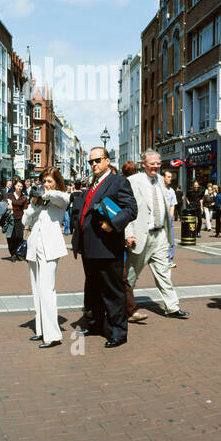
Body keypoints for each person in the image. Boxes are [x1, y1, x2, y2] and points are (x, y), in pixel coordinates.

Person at [72, 147, 137, 348]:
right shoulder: (93, 183)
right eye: (91, 162)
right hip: (90, 246)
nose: (94, 164)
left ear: (107, 161)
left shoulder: (118, 182)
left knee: (112, 290)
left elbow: (131, 209)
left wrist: (113, 224)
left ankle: (118, 331)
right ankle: (97, 324)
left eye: (97, 160)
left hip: (107, 246)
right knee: (94, 289)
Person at [125, 151, 190, 320]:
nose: (155, 166)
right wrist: (129, 233)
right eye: (152, 163)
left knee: (164, 272)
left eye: (158, 163)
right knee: (130, 276)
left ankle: (172, 307)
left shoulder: (161, 180)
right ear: (143, 164)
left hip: (160, 234)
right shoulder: (133, 181)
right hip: (141, 236)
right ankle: (121, 306)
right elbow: (126, 209)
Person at [23, 167, 70, 348]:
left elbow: (61, 199)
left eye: (50, 181)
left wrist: (47, 193)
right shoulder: (39, 201)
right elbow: (24, 221)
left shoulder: (61, 197)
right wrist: (34, 203)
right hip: (34, 248)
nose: (46, 185)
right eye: (44, 182)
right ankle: (41, 329)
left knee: (47, 289)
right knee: (37, 290)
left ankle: (53, 334)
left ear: (57, 182)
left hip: (50, 248)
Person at [7, 180, 28, 261]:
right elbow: (3, 205)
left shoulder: (24, 197)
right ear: (15, 186)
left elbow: (25, 209)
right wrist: (7, 207)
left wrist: (27, 222)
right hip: (10, 219)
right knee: (11, 237)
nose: (19, 188)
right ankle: (12, 254)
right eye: (18, 186)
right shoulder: (9, 195)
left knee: (19, 237)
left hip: (20, 219)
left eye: (21, 186)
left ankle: (16, 251)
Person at [162, 170, 179, 267]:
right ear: (163, 177)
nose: (170, 179)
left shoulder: (171, 191)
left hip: (168, 218)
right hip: (159, 217)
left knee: (171, 239)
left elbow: (173, 205)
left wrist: (171, 216)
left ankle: (169, 259)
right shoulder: (158, 188)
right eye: (168, 177)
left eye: (170, 177)